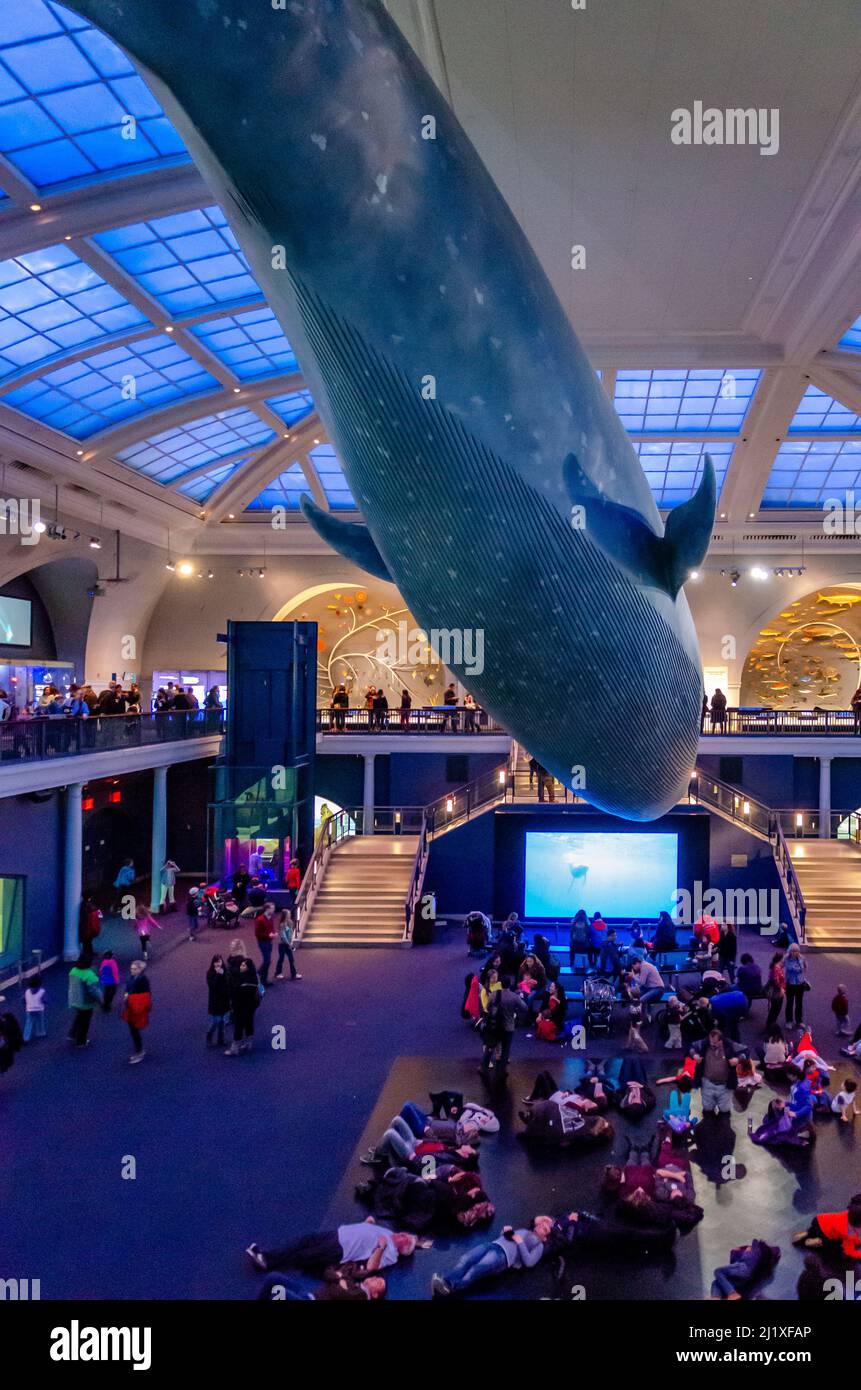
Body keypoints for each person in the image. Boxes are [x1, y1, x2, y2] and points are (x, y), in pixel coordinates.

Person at [246, 1221, 416, 1274]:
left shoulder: (391, 1255)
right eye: (403, 1233)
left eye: (404, 1238)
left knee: (302, 1255)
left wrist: (380, 1247)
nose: (401, 1234)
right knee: (301, 1242)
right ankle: (266, 1257)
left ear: (403, 1248)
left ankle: (266, 1263)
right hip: (337, 1234)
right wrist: (368, 1223)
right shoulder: (389, 1232)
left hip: (340, 1249)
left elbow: (372, 1267)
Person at [431, 1219, 549, 1296]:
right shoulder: (524, 1231)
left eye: (545, 1228)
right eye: (541, 1225)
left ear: (545, 1238)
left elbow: (529, 1262)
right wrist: (505, 1232)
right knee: (466, 1259)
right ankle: (446, 1281)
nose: (540, 1227)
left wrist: (520, 1242)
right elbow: (506, 1238)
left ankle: (450, 1288)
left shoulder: (539, 1246)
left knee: (475, 1269)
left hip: (503, 1256)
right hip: (494, 1244)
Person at [691, 1028, 743, 1114]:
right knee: (707, 1109)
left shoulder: (730, 1045)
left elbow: (745, 1051)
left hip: (725, 1086)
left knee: (725, 1110)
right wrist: (694, 1055)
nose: (712, 1044)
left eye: (714, 1043)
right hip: (707, 1084)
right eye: (710, 1041)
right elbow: (692, 1047)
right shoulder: (705, 1043)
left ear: (721, 1041)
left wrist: (738, 1059)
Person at [793, 1197, 861, 1261]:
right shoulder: (850, 1234)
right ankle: (816, 1241)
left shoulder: (849, 1213)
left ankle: (808, 1232)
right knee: (836, 1243)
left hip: (819, 1220)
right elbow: (849, 1252)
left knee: (816, 1229)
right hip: (823, 1233)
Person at [710, 1241, 780, 1300]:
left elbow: (730, 1267)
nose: (748, 1248)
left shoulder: (747, 1262)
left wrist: (736, 1252)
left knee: (718, 1272)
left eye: (750, 1248)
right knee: (717, 1283)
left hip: (742, 1277)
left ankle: (731, 1293)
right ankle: (718, 1297)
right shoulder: (763, 1271)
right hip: (746, 1291)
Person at [226, 949, 261, 1055]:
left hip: (241, 1005)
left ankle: (235, 1048)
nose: (241, 967)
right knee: (249, 1022)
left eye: (243, 966)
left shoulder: (241, 980)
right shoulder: (253, 978)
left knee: (239, 1025)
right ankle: (248, 1043)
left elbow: (234, 992)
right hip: (252, 1005)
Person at [67, 953, 102, 1047]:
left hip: (74, 999)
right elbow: (94, 991)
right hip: (85, 1002)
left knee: (79, 1017)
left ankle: (72, 1034)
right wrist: (101, 1001)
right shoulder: (90, 975)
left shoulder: (73, 970)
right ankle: (81, 1041)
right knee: (85, 1021)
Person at [121, 960, 151, 1065]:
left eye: (134, 969)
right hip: (130, 1006)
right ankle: (139, 1050)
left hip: (137, 1006)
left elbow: (147, 994)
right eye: (131, 968)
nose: (132, 970)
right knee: (133, 1030)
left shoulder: (143, 979)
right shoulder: (131, 978)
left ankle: (139, 1051)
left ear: (140, 969)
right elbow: (127, 988)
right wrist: (126, 995)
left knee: (134, 1030)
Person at [206, 954, 231, 1048]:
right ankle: (209, 1034)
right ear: (213, 963)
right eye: (215, 962)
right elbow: (212, 986)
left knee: (222, 1022)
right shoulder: (210, 973)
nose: (218, 964)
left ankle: (221, 1038)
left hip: (224, 1000)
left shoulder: (226, 972)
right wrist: (218, 975)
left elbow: (228, 983)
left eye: (219, 962)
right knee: (216, 1020)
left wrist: (223, 975)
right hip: (215, 1001)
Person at [630, 956, 664, 1020]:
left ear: (637, 963)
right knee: (635, 996)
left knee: (641, 1000)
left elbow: (642, 982)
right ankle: (641, 1016)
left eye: (634, 966)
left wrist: (633, 976)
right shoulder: (643, 966)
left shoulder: (644, 967)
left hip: (658, 989)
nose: (634, 968)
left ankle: (641, 1018)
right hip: (650, 988)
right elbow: (642, 984)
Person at [784, 943, 808, 1029]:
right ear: (789, 951)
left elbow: (805, 967)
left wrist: (803, 975)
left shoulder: (802, 958)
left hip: (799, 983)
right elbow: (790, 968)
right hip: (790, 983)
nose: (794, 953)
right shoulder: (786, 958)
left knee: (799, 1003)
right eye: (793, 951)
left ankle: (799, 1021)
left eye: (796, 951)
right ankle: (789, 1021)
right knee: (789, 1003)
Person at [274, 908, 301, 981]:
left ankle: (294, 974)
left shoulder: (290, 922)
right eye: (288, 914)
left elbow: (291, 933)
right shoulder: (282, 924)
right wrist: (289, 943)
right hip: (282, 944)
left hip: (288, 944)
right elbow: (283, 936)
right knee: (281, 959)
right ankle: (277, 973)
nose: (290, 914)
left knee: (291, 959)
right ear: (285, 915)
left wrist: (291, 942)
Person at [254, 902, 277, 986]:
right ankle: (257, 974)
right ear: (267, 909)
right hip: (263, 942)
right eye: (272, 908)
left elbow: (271, 928)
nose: (274, 909)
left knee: (267, 961)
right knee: (267, 961)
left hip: (269, 941)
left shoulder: (270, 917)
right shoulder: (260, 920)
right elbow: (257, 933)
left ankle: (264, 980)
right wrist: (268, 935)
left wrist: (273, 933)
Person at [764, 951, 785, 1034]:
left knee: (774, 1009)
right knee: (775, 1010)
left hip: (776, 991)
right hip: (777, 992)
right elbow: (776, 981)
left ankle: (770, 1026)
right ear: (780, 959)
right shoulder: (776, 969)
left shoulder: (776, 967)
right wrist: (781, 989)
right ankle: (770, 1027)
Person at [22, 973, 46, 1041]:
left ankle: (25, 1037)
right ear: (40, 984)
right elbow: (43, 1000)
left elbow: (24, 1000)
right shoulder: (42, 991)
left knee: (29, 1023)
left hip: (29, 1009)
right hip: (39, 1009)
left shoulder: (27, 991)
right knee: (40, 1021)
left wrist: (26, 1003)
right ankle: (40, 1032)